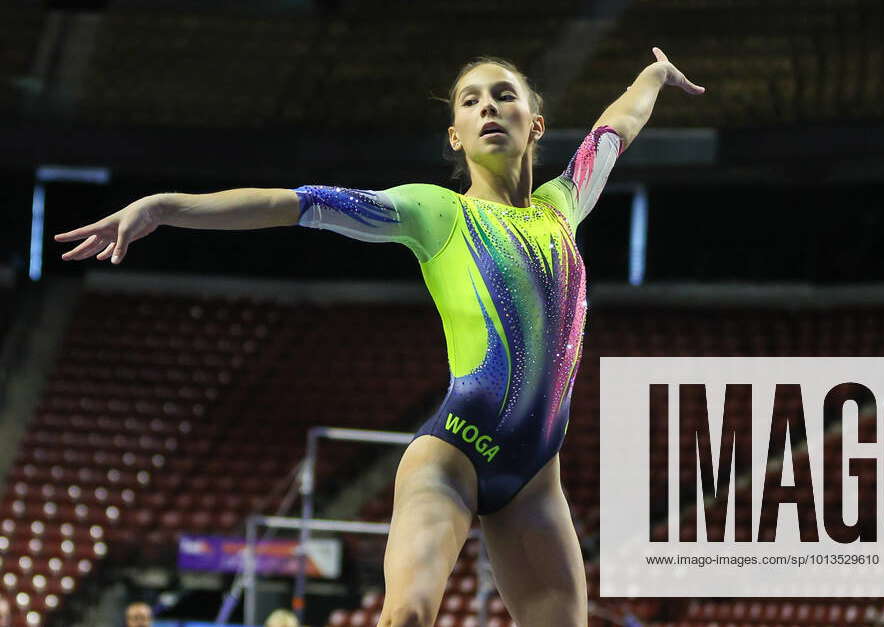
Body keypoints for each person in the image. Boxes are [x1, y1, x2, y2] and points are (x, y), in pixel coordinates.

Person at [54, 47, 704, 626]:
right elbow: (293, 204)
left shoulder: (564, 205)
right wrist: (164, 206)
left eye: (504, 95)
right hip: (451, 459)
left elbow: (615, 128)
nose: (488, 107)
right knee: (410, 613)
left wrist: (653, 74)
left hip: (535, 483)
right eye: (471, 101)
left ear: (535, 123)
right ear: (455, 136)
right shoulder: (437, 212)